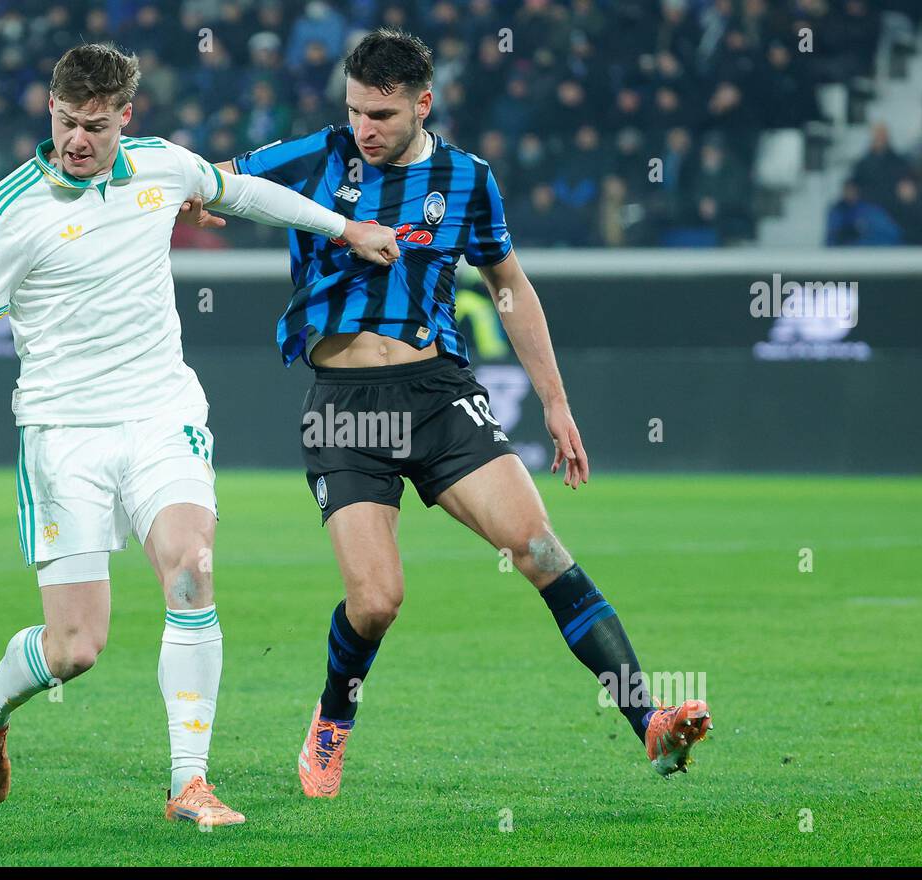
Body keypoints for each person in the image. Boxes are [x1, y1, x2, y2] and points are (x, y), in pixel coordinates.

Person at [181, 29, 711, 798]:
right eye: (357, 109)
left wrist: (557, 404)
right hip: (346, 408)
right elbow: (213, 182)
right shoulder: (314, 157)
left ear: (423, 104)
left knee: (538, 546)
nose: (365, 128)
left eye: (383, 115)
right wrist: (201, 195)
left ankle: (649, 723)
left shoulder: (468, 179)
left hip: (437, 392)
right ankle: (332, 720)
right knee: (377, 601)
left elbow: (510, 287)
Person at [0, 42, 397, 826]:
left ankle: (188, 783)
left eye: (94, 127)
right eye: (66, 123)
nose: (76, 141)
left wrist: (344, 229)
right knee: (75, 650)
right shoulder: (6, 209)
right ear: (51, 111)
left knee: (192, 571)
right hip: (63, 433)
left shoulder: (162, 167)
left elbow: (246, 194)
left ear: (125, 119)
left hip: (162, 413)